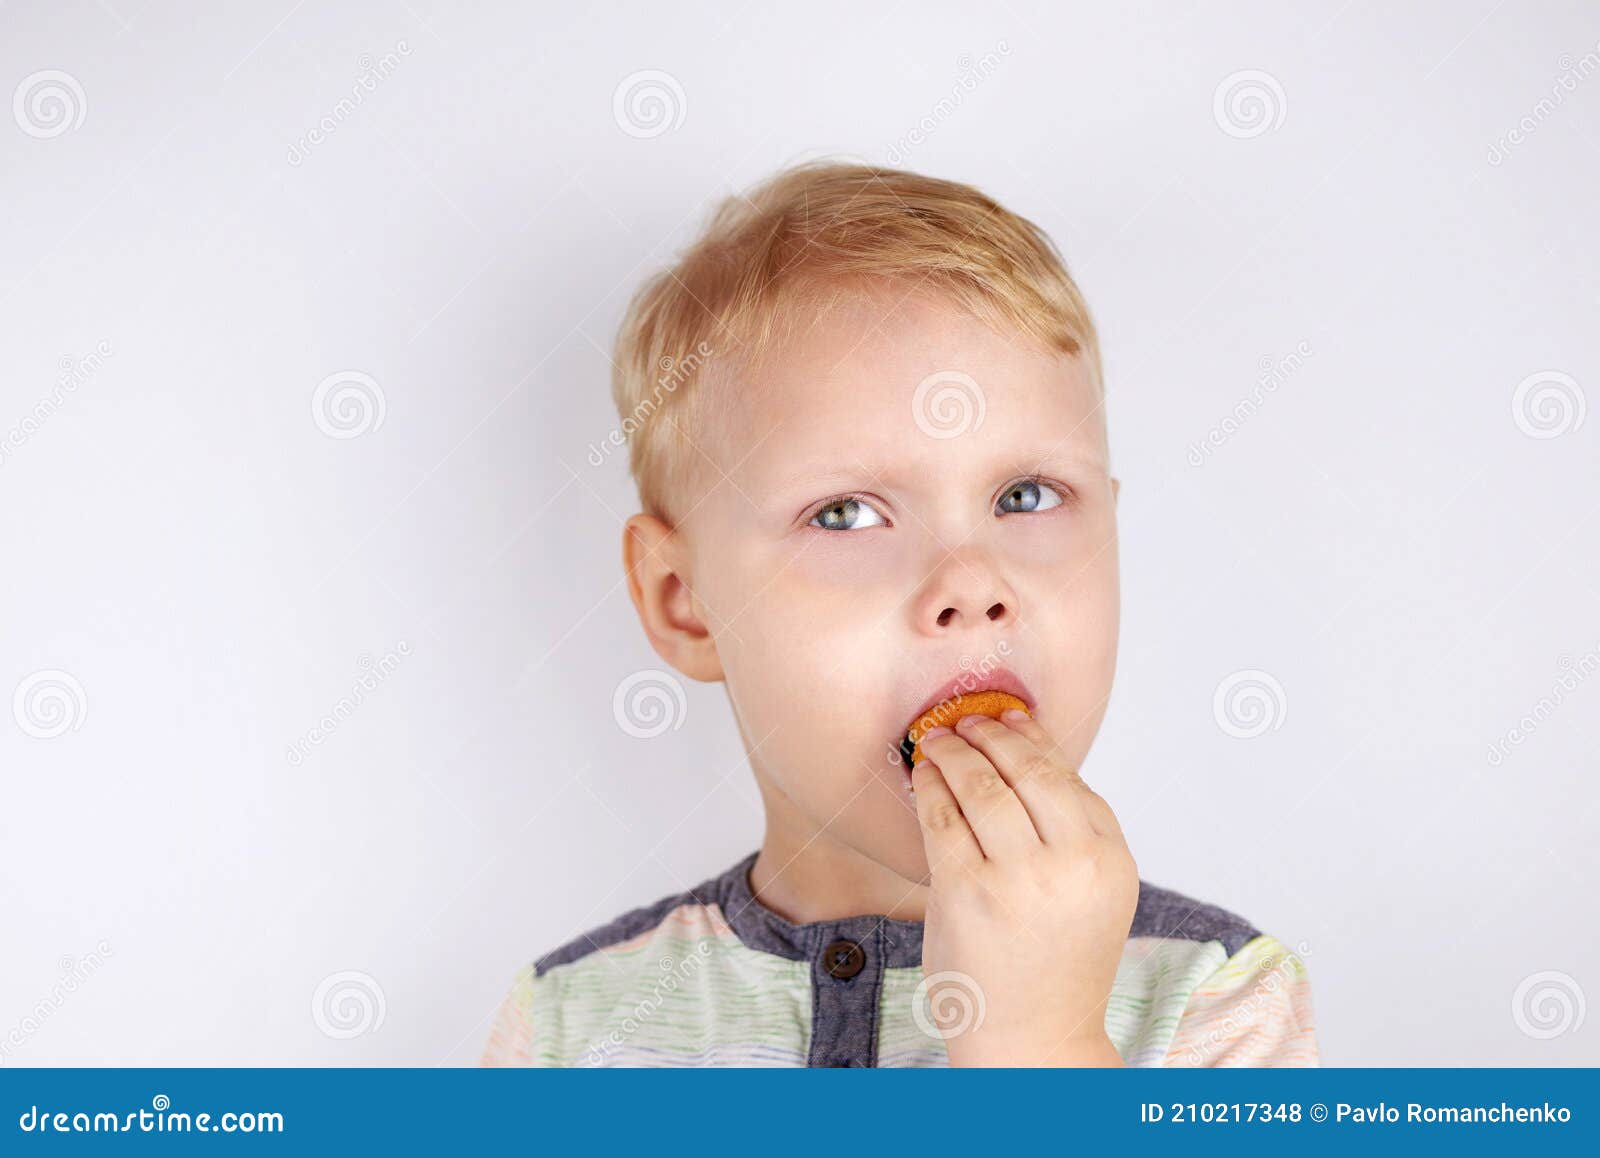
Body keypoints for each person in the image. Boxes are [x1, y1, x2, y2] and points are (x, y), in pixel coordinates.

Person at [482, 160, 1318, 1067]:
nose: (971, 582)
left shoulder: (1218, 997)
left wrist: (1040, 1043)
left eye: (1028, 495)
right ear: (685, 603)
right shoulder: (569, 1028)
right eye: (845, 514)